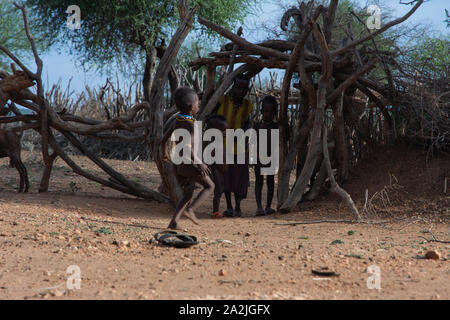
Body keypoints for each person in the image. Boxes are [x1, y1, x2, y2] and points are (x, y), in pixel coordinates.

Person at [161, 87, 214, 230]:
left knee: (187, 194)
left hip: (177, 165)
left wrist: (164, 153)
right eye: (198, 103)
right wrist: (200, 163)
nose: (199, 106)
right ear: (191, 107)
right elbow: (187, 147)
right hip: (188, 163)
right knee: (210, 186)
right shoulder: (190, 125)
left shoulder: (177, 120)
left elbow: (163, 139)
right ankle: (191, 210)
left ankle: (174, 222)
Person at [215, 74, 254, 217]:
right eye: (238, 87)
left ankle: (238, 205)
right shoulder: (222, 100)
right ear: (233, 87)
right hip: (223, 146)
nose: (241, 91)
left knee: (240, 178)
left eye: (244, 89)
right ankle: (229, 206)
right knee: (226, 177)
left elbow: (248, 122)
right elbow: (212, 116)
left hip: (239, 147)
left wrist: (245, 132)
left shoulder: (247, 106)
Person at [254, 95, 278, 216]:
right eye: (266, 111)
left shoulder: (277, 127)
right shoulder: (257, 126)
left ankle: (268, 206)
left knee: (270, 181)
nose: (268, 114)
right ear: (262, 111)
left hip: (272, 157)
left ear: (275, 112)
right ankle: (259, 207)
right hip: (259, 157)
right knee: (259, 181)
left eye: (271, 112)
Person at [204, 114, 228, 219]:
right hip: (216, 169)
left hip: (222, 169)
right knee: (218, 190)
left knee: (221, 189)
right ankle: (215, 211)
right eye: (222, 131)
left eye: (225, 130)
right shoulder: (212, 143)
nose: (225, 133)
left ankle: (216, 210)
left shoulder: (218, 141)